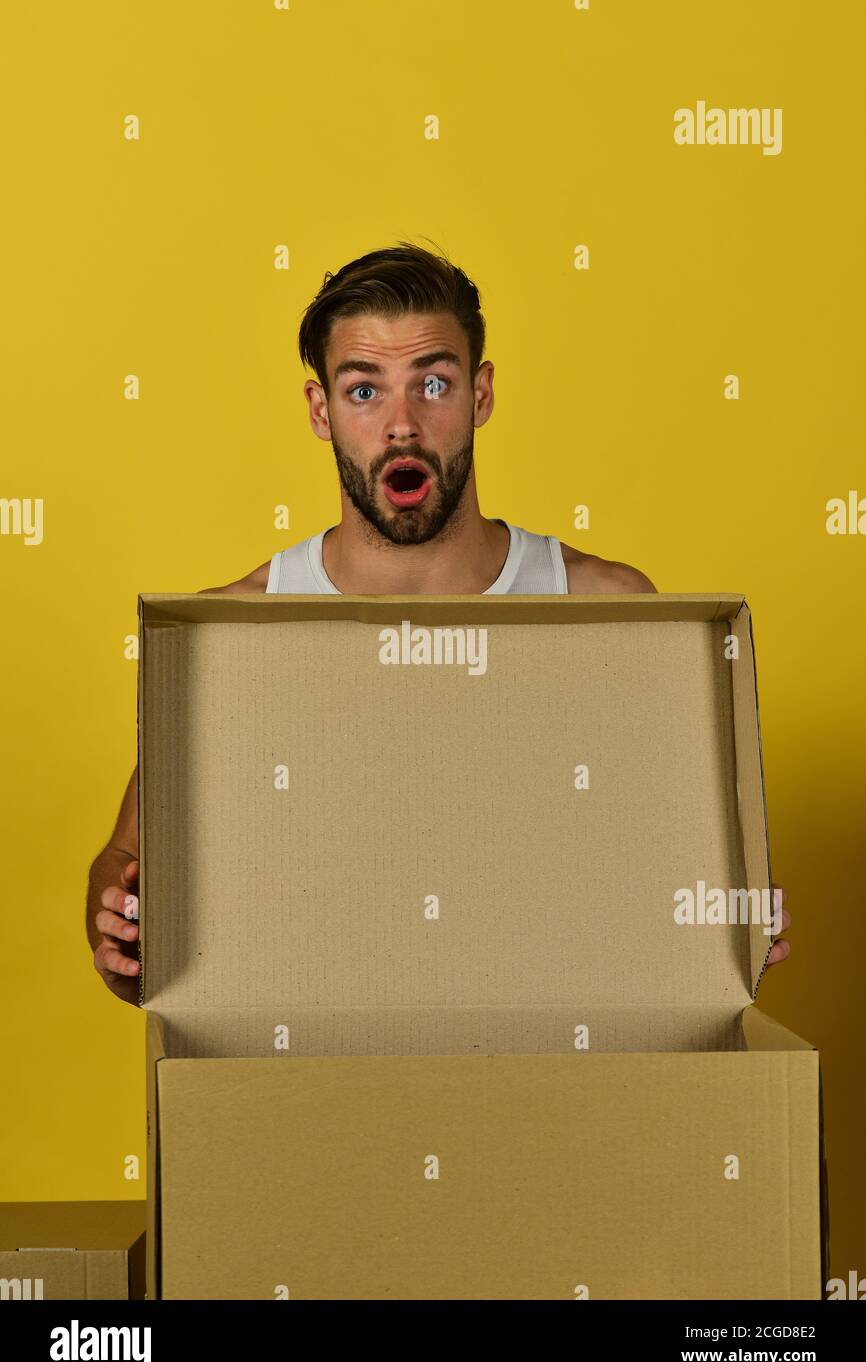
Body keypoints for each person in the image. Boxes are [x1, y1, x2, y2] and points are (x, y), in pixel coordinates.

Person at [86, 241, 791, 1003]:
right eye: (363, 392)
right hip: (320, 1081)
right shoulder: (228, 637)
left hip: (555, 1072)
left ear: (480, 395)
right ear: (321, 411)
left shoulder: (605, 614)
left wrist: (729, 908)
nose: (402, 425)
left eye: (433, 383)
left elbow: (680, 857)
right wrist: (123, 926)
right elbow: (127, 861)